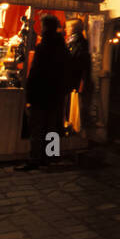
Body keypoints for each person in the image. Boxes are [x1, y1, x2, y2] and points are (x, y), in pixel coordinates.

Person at [19, 14, 69, 171]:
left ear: (45, 27)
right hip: (55, 93)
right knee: (52, 127)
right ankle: (51, 156)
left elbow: (35, 72)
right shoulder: (62, 47)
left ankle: (35, 158)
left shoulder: (43, 47)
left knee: (37, 127)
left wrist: (29, 91)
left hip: (41, 93)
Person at [66, 18, 94, 131]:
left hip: (74, 79)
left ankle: (76, 128)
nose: (66, 29)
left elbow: (78, 62)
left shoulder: (78, 43)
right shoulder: (73, 42)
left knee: (74, 106)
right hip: (73, 79)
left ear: (73, 28)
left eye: (68, 27)